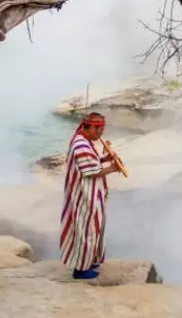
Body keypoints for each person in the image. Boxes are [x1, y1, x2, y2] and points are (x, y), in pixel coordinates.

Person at [59, 112, 121, 279]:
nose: (101, 134)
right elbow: (93, 172)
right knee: (87, 230)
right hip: (84, 196)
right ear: (92, 127)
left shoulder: (82, 140)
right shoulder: (81, 146)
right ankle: (81, 269)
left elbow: (92, 163)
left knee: (94, 228)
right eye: (100, 130)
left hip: (91, 193)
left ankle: (90, 259)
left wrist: (105, 158)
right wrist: (114, 168)